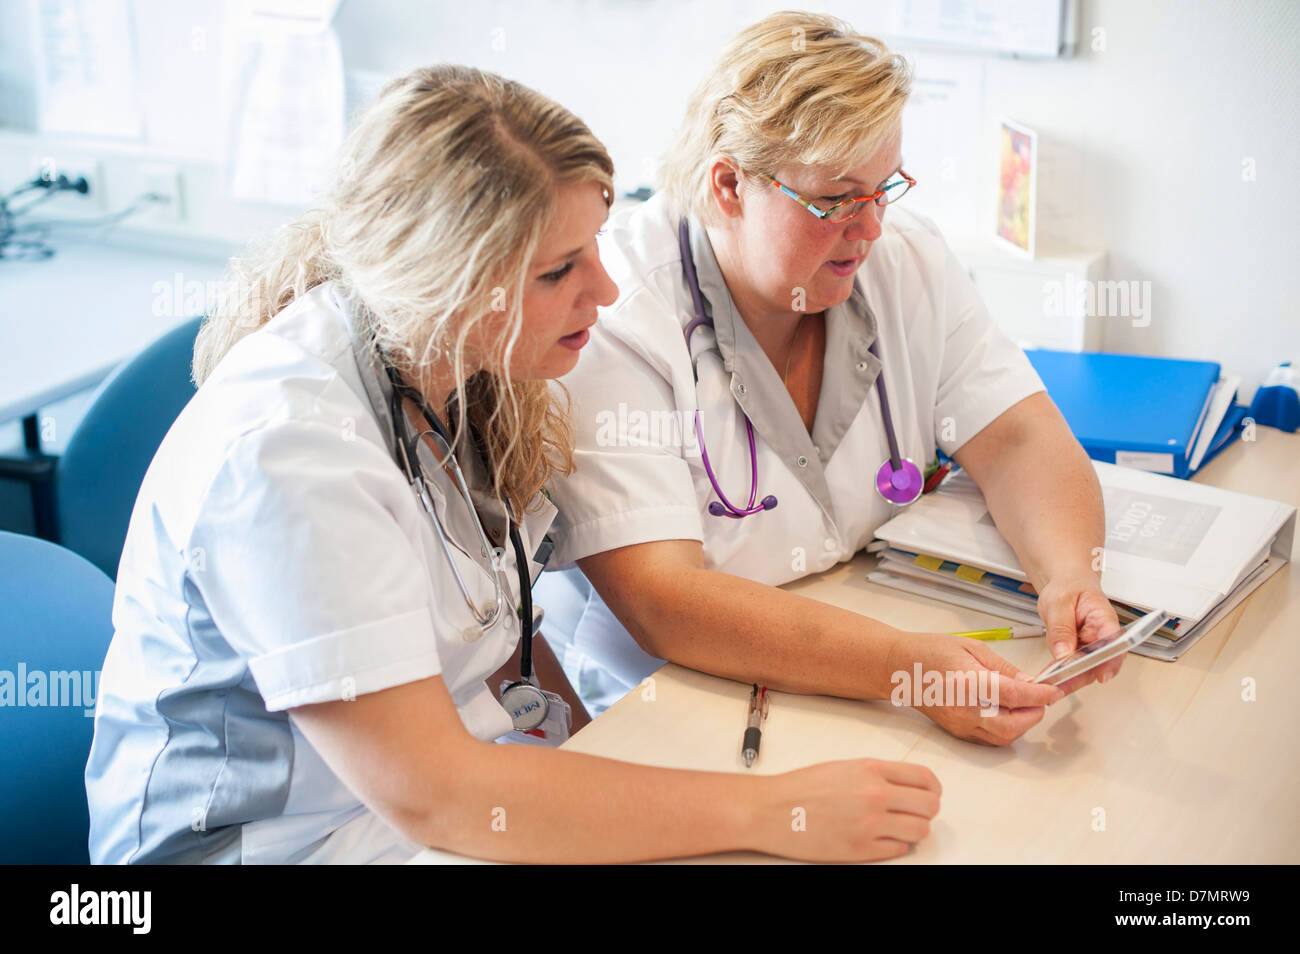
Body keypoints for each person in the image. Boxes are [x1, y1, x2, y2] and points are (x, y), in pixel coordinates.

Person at [84, 64, 941, 864]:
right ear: (448, 281)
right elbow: (440, 795)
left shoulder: (458, 370)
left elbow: (497, 630)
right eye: (560, 270)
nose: (605, 293)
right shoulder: (287, 456)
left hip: (428, 796)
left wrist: (602, 754)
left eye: (597, 247)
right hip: (278, 841)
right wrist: (774, 812)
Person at [535, 12, 1122, 741]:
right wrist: (910, 669)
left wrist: (1068, 575)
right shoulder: (619, 314)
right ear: (728, 185)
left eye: (886, 189)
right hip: (671, 701)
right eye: (838, 199)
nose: (871, 227)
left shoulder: (904, 259)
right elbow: (664, 599)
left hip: (854, 656)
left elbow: (1017, 437)